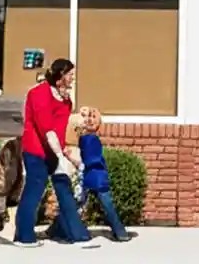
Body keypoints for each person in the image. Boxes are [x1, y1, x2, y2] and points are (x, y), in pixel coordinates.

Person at [13, 58, 96, 248]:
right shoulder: (38, 93)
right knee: (34, 190)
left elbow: (60, 129)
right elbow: (47, 130)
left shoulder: (66, 101)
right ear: (60, 76)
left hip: (55, 150)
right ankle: (23, 235)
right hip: (36, 151)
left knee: (64, 190)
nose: (73, 77)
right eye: (70, 74)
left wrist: (66, 153)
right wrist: (60, 157)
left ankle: (76, 235)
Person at [75, 106, 130, 242]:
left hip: (92, 176)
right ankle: (120, 232)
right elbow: (92, 159)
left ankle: (56, 227)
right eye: (88, 117)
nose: (91, 120)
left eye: (94, 118)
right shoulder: (89, 139)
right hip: (96, 176)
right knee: (106, 206)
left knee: (75, 203)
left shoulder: (87, 139)